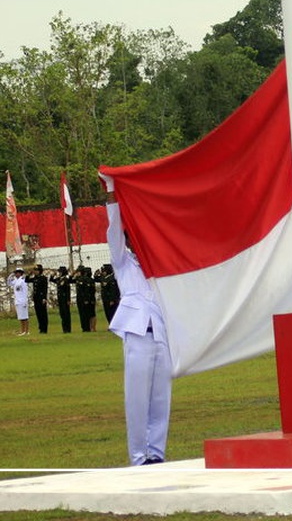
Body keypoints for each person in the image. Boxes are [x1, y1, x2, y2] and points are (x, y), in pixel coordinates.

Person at [99, 174, 173, 466]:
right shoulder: (123, 261)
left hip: (162, 334)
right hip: (137, 333)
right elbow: (113, 231)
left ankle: (156, 453)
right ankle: (139, 456)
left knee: (160, 399)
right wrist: (112, 191)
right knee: (137, 399)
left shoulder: (161, 263)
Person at [26, 264, 49, 334]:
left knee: (43, 313)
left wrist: (44, 298)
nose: (35, 272)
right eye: (35, 270)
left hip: (41, 298)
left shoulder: (43, 278)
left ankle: (44, 328)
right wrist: (29, 274)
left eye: (37, 270)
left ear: (40, 271)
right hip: (36, 298)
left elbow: (45, 289)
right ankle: (40, 327)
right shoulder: (35, 278)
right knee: (38, 313)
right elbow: (26, 280)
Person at [73, 265, 97, 332]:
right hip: (80, 299)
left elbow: (87, 290)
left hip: (85, 299)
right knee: (82, 314)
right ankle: (85, 328)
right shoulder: (78, 279)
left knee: (86, 314)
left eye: (78, 272)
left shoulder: (84, 279)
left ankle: (87, 328)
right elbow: (70, 280)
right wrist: (73, 275)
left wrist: (86, 299)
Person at [50, 266, 73, 333]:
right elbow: (51, 280)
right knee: (62, 313)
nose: (59, 273)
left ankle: (68, 329)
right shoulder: (58, 279)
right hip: (60, 298)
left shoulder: (66, 279)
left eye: (60, 272)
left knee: (66, 314)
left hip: (65, 298)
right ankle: (64, 328)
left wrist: (68, 299)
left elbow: (68, 290)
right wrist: (52, 275)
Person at [7, 268, 30, 336]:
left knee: (25, 317)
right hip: (17, 301)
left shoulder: (23, 281)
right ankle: (22, 331)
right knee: (21, 317)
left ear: (21, 273)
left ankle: (26, 331)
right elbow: (8, 283)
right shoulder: (15, 281)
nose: (17, 274)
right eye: (16, 273)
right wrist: (11, 275)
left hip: (23, 301)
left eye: (18, 272)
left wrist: (25, 301)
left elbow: (25, 291)